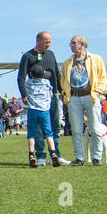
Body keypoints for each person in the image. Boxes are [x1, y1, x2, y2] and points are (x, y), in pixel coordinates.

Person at [60, 35, 107, 166]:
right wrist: (65, 93)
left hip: (90, 96)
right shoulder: (67, 62)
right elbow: (63, 79)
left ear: (82, 44)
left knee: (95, 127)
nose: (71, 45)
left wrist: (98, 91)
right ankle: (79, 157)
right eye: (71, 43)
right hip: (74, 97)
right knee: (76, 129)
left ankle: (96, 157)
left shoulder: (96, 59)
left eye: (74, 43)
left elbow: (103, 77)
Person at [18, 31, 63, 166]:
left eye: (50, 41)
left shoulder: (51, 54)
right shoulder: (28, 56)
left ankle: (55, 154)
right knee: (37, 129)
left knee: (54, 125)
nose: (48, 44)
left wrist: (61, 91)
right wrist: (24, 94)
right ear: (38, 41)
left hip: (52, 96)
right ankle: (40, 155)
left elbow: (56, 72)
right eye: (46, 42)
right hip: (35, 101)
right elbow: (21, 76)